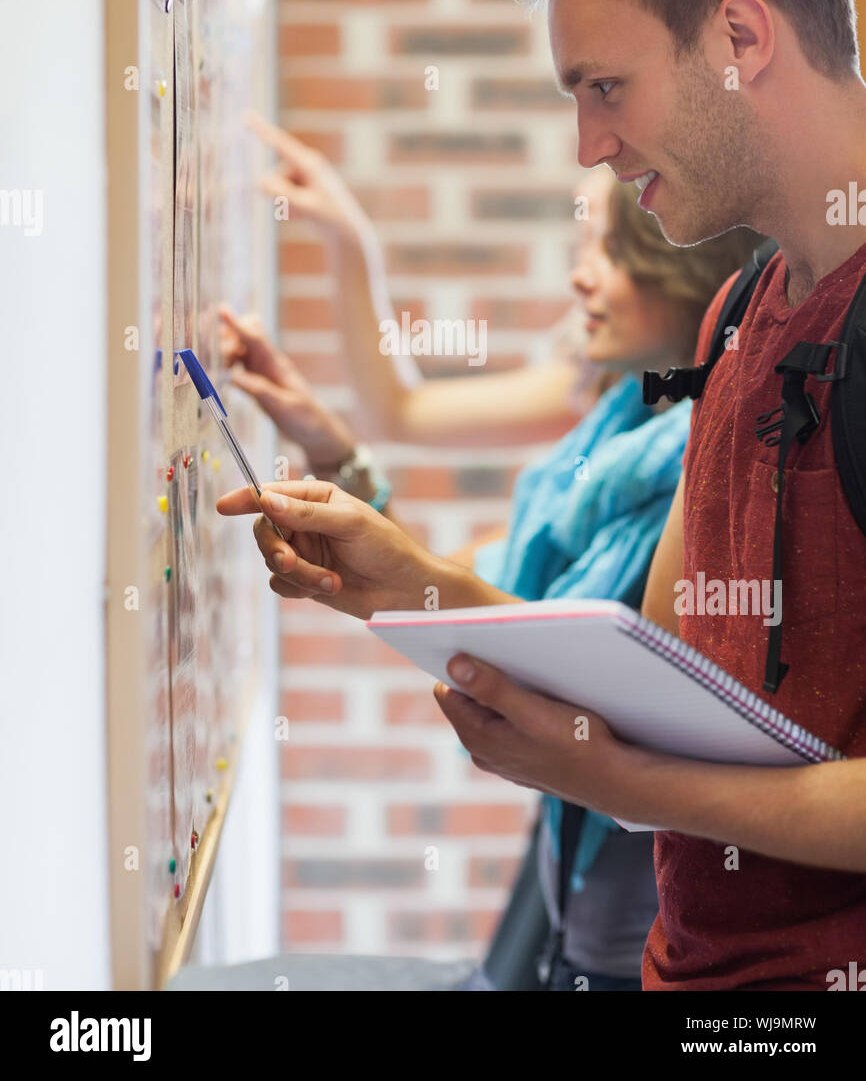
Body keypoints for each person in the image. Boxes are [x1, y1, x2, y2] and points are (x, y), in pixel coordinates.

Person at [218, 0, 866, 992]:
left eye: (604, 87)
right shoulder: (734, 316)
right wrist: (407, 581)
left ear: (737, 39)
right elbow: (663, 670)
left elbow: (642, 755)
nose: (589, 144)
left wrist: (614, 783)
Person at [220, 165, 758, 989]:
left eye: (607, 250)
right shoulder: (623, 417)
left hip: (625, 949)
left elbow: (476, 612)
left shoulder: (705, 461)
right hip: (564, 928)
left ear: (686, 269)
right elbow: (446, 582)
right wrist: (334, 455)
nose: (580, 274)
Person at [244, 110, 593, 450]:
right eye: (585, 246)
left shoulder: (607, 383)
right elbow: (396, 414)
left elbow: (396, 416)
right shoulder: (598, 382)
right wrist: (348, 240)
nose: (580, 278)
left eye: (608, 245)